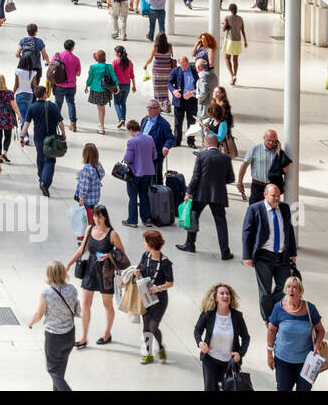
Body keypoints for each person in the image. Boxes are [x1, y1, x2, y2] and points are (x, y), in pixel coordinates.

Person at [65, 205, 127, 348]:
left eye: (99, 216)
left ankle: (107, 333)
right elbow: (82, 248)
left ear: (105, 217)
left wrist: (108, 255)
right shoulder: (89, 229)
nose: (96, 219)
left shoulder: (112, 234)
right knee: (85, 303)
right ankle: (84, 337)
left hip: (106, 271)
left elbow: (122, 253)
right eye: (94, 216)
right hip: (91, 269)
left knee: (107, 304)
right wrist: (69, 263)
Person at [242, 182, 298, 322]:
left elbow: (289, 230)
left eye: (279, 195)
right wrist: (247, 255)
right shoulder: (255, 209)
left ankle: (271, 308)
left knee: (284, 286)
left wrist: (293, 252)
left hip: (282, 255)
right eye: (274, 195)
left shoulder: (284, 208)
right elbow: (247, 233)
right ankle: (269, 319)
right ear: (265, 195)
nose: (277, 198)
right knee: (265, 291)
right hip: (263, 256)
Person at [176, 132, 235, 260]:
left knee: (193, 216)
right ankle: (225, 252)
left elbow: (196, 176)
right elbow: (231, 178)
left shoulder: (202, 155)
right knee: (221, 223)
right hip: (218, 195)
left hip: (201, 194)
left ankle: (190, 244)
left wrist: (189, 192)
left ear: (206, 143)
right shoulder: (225, 158)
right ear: (217, 143)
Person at [266, 275, 326, 391]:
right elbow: (272, 330)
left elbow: (320, 330)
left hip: (306, 360)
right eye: (288, 287)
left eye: (294, 287)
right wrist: (269, 354)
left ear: (300, 291)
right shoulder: (278, 308)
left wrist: (317, 345)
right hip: (283, 359)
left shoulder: (310, 309)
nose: (291, 290)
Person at [27, 261, 79, 390]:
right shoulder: (72, 289)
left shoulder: (46, 293)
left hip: (54, 337)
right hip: (69, 335)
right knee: (60, 370)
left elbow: (39, 314)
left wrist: (31, 322)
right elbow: (77, 309)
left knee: (53, 371)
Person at [195, 283, 251, 390]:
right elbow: (197, 330)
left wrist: (240, 354)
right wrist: (200, 342)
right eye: (222, 293)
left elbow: (246, 337)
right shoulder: (208, 313)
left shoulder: (237, 316)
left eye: (227, 293)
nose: (225, 296)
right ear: (215, 298)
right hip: (210, 360)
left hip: (229, 363)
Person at [132, 230, 175, 364]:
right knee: (146, 326)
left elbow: (171, 282)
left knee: (153, 326)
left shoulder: (165, 263)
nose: (143, 244)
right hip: (146, 297)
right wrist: (137, 272)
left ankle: (161, 347)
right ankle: (148, 353)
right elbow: (139, 270)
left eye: (145, 241)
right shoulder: (146, 256)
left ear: (151, 243)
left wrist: (159, 288)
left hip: (160, 299)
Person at [237, 128, 292, 206]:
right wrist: (240, 181)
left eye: (274, 141)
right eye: (269, 140)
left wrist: (279, 153)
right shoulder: (254, 149)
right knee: (254, 209)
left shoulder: (279, 153)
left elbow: (285, 169)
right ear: (264, 138)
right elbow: (244, 166)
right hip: (257, 186)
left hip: (272, 187)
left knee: (271, 211)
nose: (271, 143)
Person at [83, 50, 118, 135]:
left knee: (100, 109)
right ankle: (101, 123)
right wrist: (117, 86)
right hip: (106, 89)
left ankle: (102, 127)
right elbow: (114, 76)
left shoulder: (93, 67)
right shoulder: (108, 66)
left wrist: (87, 85)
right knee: (102, 108)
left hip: (96, 89)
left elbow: (90, 78)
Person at [144, 32, 175, 107]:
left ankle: (159, 105)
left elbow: (150, 59)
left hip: (157, 72)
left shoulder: (155, 47)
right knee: (165, 89)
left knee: (158, 89)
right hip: (167, 71)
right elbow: (172, 55)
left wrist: (146, 65)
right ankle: (166, 104)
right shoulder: (169, 46)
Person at [221, 3, 248, 85]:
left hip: (229, 41)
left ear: (229, 10)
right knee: (235, 60)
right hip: (238, 41)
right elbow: (242, 30)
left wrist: (224, 25)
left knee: (227, 58)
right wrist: (245, 41)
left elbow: (223, 29)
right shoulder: (240, 19)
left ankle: (232, 75)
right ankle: (235, 75)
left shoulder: (227, 18)